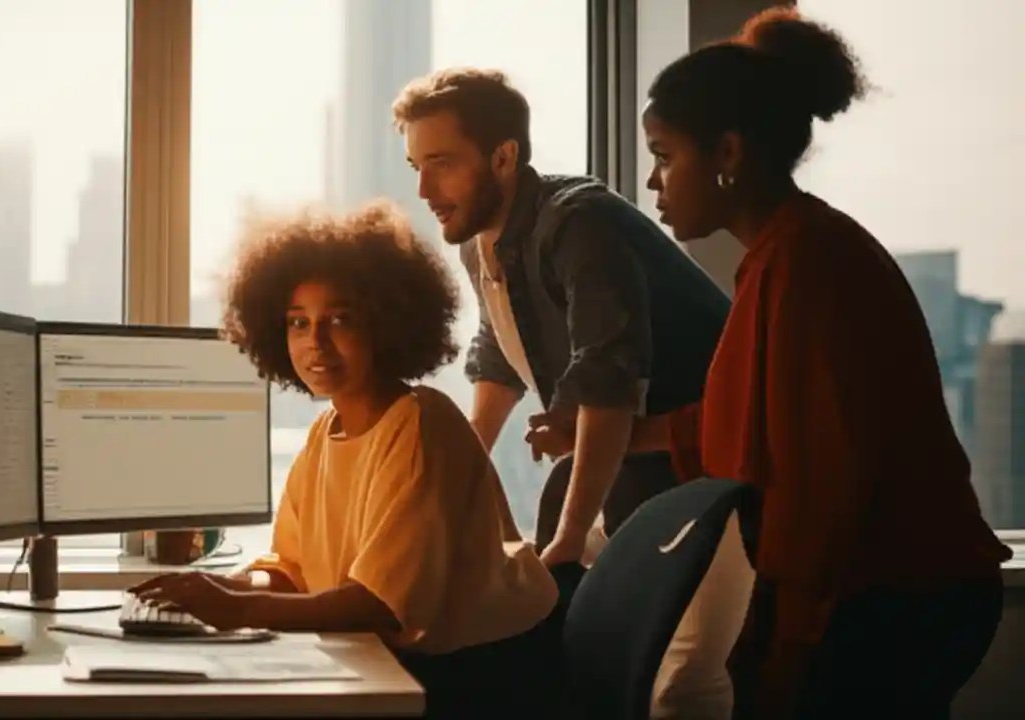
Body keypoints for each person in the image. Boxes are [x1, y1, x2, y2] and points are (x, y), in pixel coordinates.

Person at [633, 7, 1011, 717]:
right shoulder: (784, 254)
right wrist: (625, 436)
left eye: (664, 154)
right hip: (886, 590)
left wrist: (788, 647)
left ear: (727, 154)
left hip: (896, 598)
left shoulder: (808, 265)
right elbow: (750, 420)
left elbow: (821, 481)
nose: (654, 182)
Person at [393, 67, 753, 717]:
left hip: (710, 485)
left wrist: (570, 532)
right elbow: (499, 358)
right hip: (629, 480)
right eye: (416, 166)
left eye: (441, 164)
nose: (423, 189)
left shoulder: (578, 223)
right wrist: (448, 483)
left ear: (504, 157)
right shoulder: (480, 245)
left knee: (679, 687)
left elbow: (607, 378)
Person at [131, 202, 560, 719]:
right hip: (399, 663)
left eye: (339, 320)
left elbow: (377, 603)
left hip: (487, 676)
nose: (315, 342)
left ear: (385, 322)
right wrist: (226, 587)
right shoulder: (324, 432)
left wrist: (238, 608)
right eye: (298, 322)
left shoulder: (421, 423)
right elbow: (290, 571)